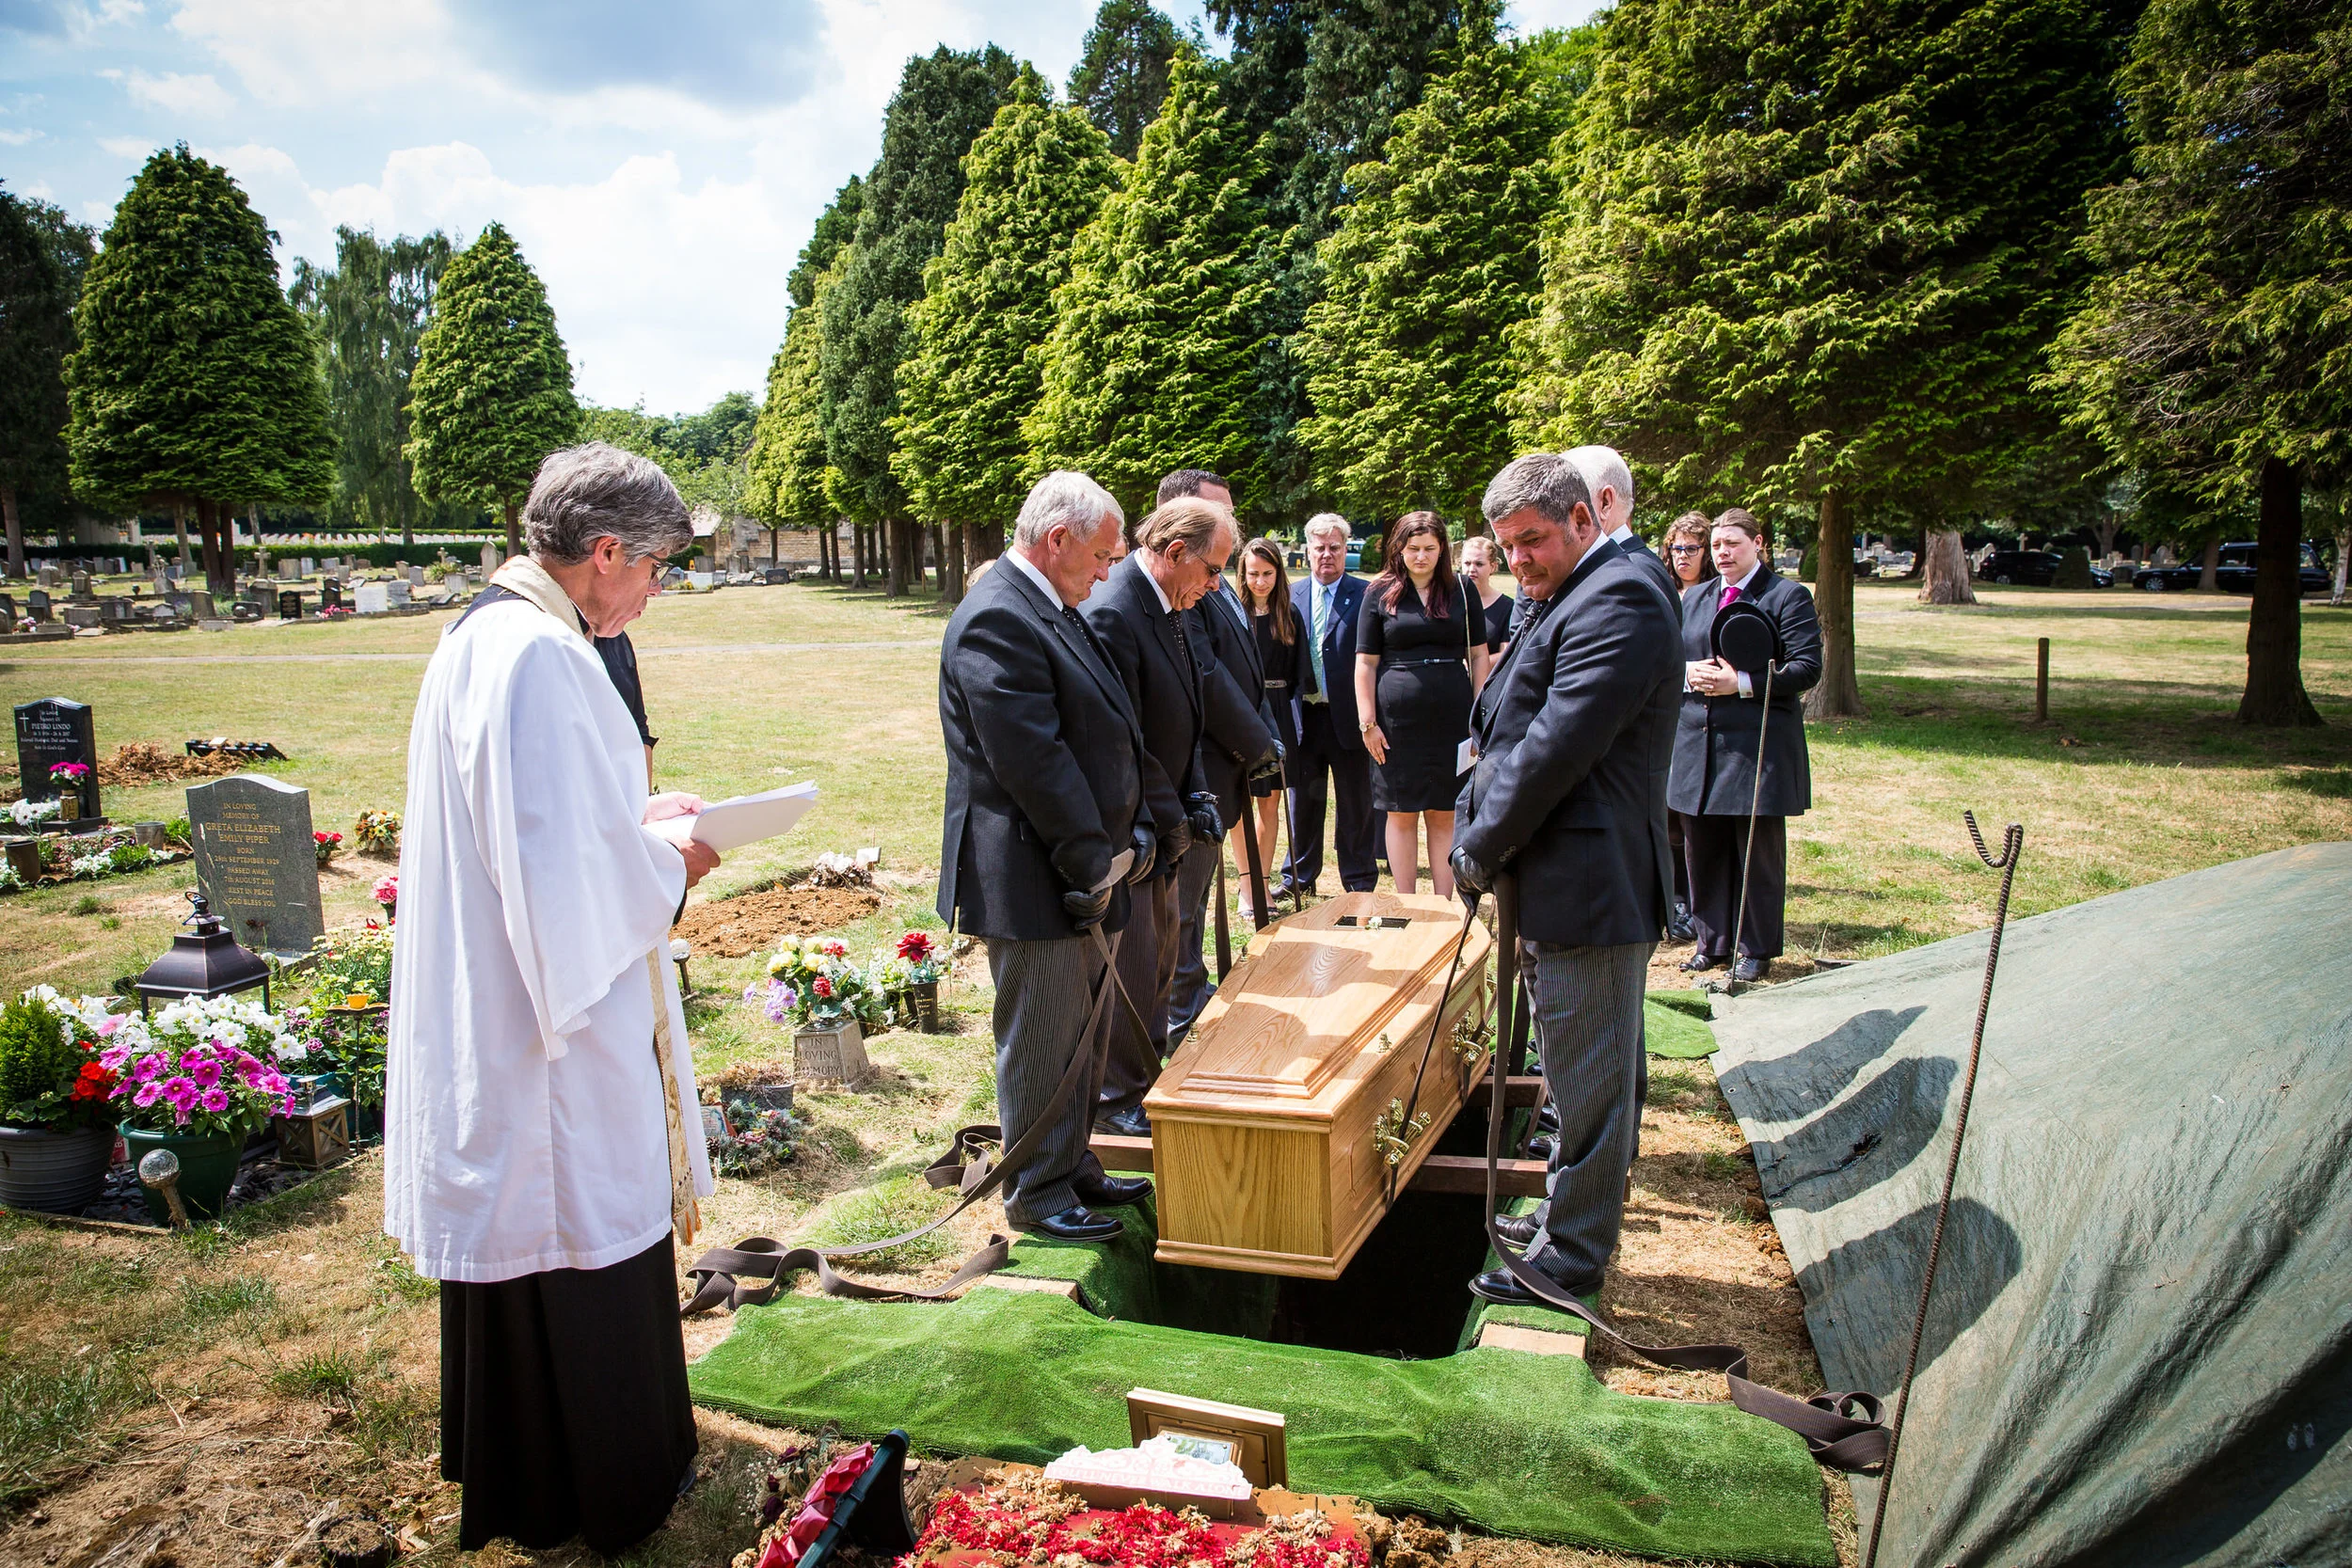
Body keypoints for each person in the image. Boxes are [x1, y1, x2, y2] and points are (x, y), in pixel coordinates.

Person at [388, 442, 722, 1556]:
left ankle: (531, 1470)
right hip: (548, 1033)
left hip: (504, 995)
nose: (657, 590)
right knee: (569, 1216)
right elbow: (566, 887)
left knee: (534, 1227)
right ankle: (597, 1480)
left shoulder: (494, 631)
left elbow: (548, 828)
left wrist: (634, 821)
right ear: (606, 551)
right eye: (657, 566)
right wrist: (674, 859)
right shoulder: (538, 654)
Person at [1448, 451, 1679, 1309]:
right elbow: (1508, 721)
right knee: (1576, 1072)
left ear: (1585, 518)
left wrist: (1478, 845)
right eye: (1506, 545)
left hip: (1589, 883)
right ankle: (1562, 1221)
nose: (1519, 560)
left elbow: (1555, 748)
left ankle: (1572, 1256)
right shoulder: (1575, 589)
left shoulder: (1618, 596)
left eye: (1533, 540)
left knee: (1589, 1086)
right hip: (1561, 875)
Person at [936, 470, 1157, 1242]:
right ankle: (1035, 1189)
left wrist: (1132, 828)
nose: (1108, 572)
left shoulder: (1052, 606)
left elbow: (1111, 726)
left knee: (1084, 1031)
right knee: (1042, 1037)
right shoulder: (998, 615)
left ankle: (1070, 1160)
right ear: (1057, 539)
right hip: (1037, 872)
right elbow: (1032, 759)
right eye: (1100, 556)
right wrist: (1092, 858)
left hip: (1083, 862)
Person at [1083, 496, 1235, 1134]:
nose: (1217, 585)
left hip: (1166, 817)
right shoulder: (1116, 609)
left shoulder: (1171, 602)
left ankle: (1145, 1084)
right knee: (1135, 968)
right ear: (1175, 552)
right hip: (1134, 822)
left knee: (1163, 962)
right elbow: (1124, 737)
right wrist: (1168, 815)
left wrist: (1197, 792)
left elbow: (1188, 714)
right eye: (1213, 569)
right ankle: (1118, 1100)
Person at [1671, 508, 1822, 984]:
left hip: (1755, 745)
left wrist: (1741, 683)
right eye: (1716, 545)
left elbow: (1806, 667)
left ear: (1758, 544)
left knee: (1754, 851)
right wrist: (1687, 673)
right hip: (1696, 742)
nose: (1722, 553)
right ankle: (1712, 942)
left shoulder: (1786, 596)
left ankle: (1755, 948)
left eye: (1732, 543)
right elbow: (1669, 655)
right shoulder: (1696, 597)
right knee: (1701, 847)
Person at [1157, 469, 1277, 1048]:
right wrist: (1256, 743)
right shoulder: (1183, 586)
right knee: (1181, 906)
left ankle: (1191, 989)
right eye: (1218, 512)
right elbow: (1205, 672)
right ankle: (1181, 1012)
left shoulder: (1218, 578)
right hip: (1200, 763)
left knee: (1198, 898)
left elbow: (1247, 670)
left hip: (1226, 762)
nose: (1232, 522)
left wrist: (1266, 732)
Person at [1356, 512, 1492, 896]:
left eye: (1429, 548)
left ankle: (1443, 905)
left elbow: (1479, 655)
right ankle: (1406, 902)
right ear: (1399, 549)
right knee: (1400, 812)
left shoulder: (1462, 588)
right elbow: (1365, 663)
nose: (1421, 556)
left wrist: (1481, 715)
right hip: (1394, 723)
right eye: (1413, 548)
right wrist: (1368, 722)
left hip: (1453, 719)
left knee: (1444, 812)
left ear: (1442, 549)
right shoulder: (1378, 592)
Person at [1285, 514, 1379, 895]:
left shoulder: (1367, 594)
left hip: (1349, 718)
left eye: (1334, 548)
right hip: (1304, 716)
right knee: (1302, 803)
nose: (1327, 554)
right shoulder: (1290, 594)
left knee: (1356, 804)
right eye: (1320, 548)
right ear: (1308, 551)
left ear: (1345, 550)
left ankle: (1359, 879)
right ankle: (1298, 878)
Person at [1233, 536, 1305, 920]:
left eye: (1267, 573)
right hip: (1240, 711)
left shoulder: (1289, 616)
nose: (1260, 581)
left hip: (1276, 713)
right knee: (1241, 803)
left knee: (1271, 801)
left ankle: (1262, 884)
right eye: (1253, 574)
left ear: (1279, 573)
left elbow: (1297, 676)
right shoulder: (1233, 614)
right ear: (1243, 575)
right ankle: (1246, 887)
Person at [1659, 511, 1716, 942]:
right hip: (1666, 713)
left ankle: (1700, 903)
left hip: (1704, 716)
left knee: (1692, 815)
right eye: (1676, 548)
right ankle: (1674, 899)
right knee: (1665, 812)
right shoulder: (1662, 591)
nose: (1683, 556)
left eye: (1691, 549)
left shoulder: (1717, 596)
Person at [1568, 444, 1680, 605]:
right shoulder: (1621, 567)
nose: (1557, 517)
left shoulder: (1629, 578)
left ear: (1605, 502)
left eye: (1569, 502)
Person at [1460, 535, 1514, 657]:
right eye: (1467, 563)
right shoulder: (1449, 601)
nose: (1472, 569)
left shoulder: (1508, 607)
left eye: (1479, 564)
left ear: (1493, 567)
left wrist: (1474, 664)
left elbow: (1506, 654)